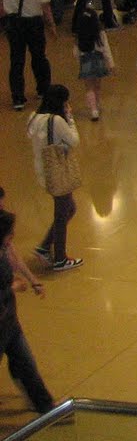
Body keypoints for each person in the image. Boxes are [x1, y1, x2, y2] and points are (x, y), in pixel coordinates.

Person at [0, 205, 53, 414]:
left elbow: (14, 260)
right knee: (24, 363)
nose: (13, 236)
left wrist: (33, 281)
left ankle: (46, 406)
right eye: (10, 233)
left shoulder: (4, 249)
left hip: (9, 322)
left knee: (26, 364)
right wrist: (11, 287)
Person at [27, 84, 83, 272]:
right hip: (57, 171)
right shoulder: (56, 121)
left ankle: (44, 246)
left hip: (42, 169)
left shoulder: (34, 117)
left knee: (69, 208)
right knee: (62, 212)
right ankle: (60, 257)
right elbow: (74, 140)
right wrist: (70, 118)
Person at [2, 0, 54, 111]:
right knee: (39, 57)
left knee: (16, 60)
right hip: (34, 23)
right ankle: (43, 89)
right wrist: (51, 25)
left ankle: (18, 97)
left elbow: (2, 3)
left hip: (13, 23)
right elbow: (45, 6)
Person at [73, 10, 112, 122]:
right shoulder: (100, 34)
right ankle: (98, 104)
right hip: (99, 61)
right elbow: (106, 49)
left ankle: (93, 110)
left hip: (86, 61)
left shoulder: (79, 36)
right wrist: (111, 63)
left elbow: (76, 53)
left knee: (89, 87)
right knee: (97, 86)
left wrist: (79, 60)